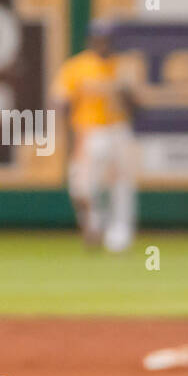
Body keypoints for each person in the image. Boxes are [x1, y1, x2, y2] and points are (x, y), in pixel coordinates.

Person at [50, 22, 138, 253]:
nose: (103, 44)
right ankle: (94, 225)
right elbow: (60, 100)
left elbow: (137, 108)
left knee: (120, 184)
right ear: (90, 40)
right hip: (89, 131)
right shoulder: (77, 67)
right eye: (99, 39)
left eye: (107, 40)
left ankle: (120, 234)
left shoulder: (123, 67)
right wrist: (66, 133)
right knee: (82, 187)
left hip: (118, 129)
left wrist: (123, 91)